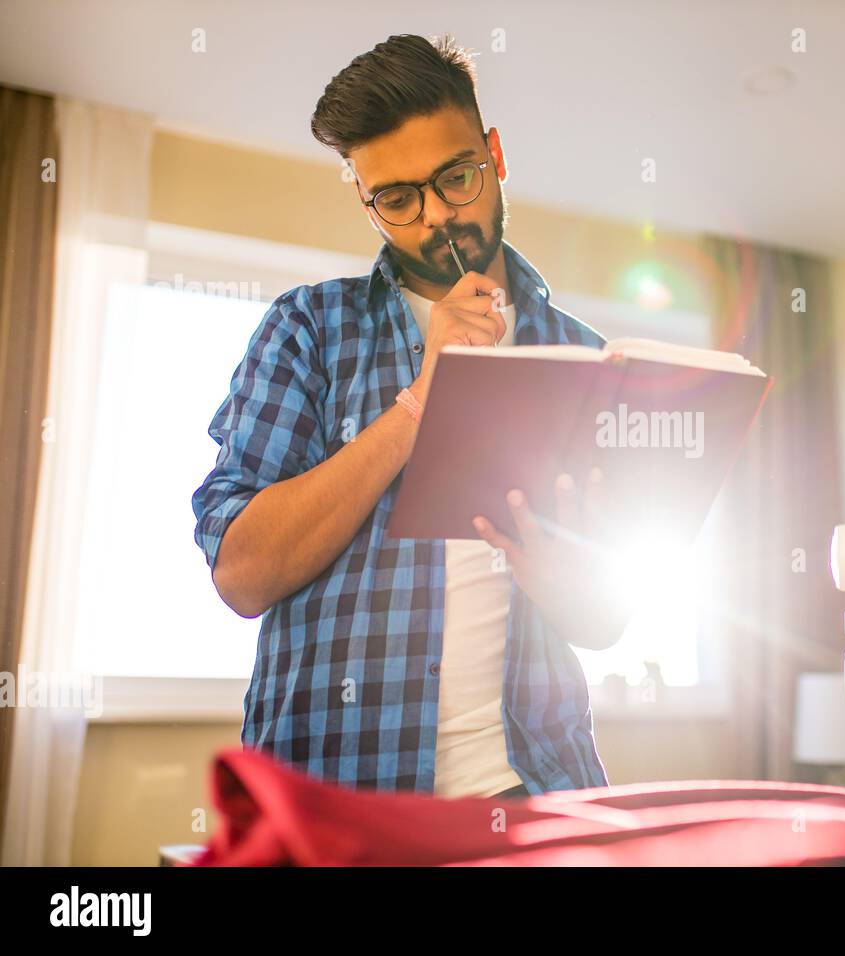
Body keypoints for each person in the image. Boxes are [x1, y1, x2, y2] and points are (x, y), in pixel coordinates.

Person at [192, 34, 628, 797]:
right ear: (365, 199)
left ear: (494, 155)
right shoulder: (309, 329)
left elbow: (604, 622)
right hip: (335, 797)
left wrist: (564, 578)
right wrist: (421, 402)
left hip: (538, 796)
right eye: (397, 199)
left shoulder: (585, 359)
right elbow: (243, 574)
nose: (436, 219)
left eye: (457, 178)